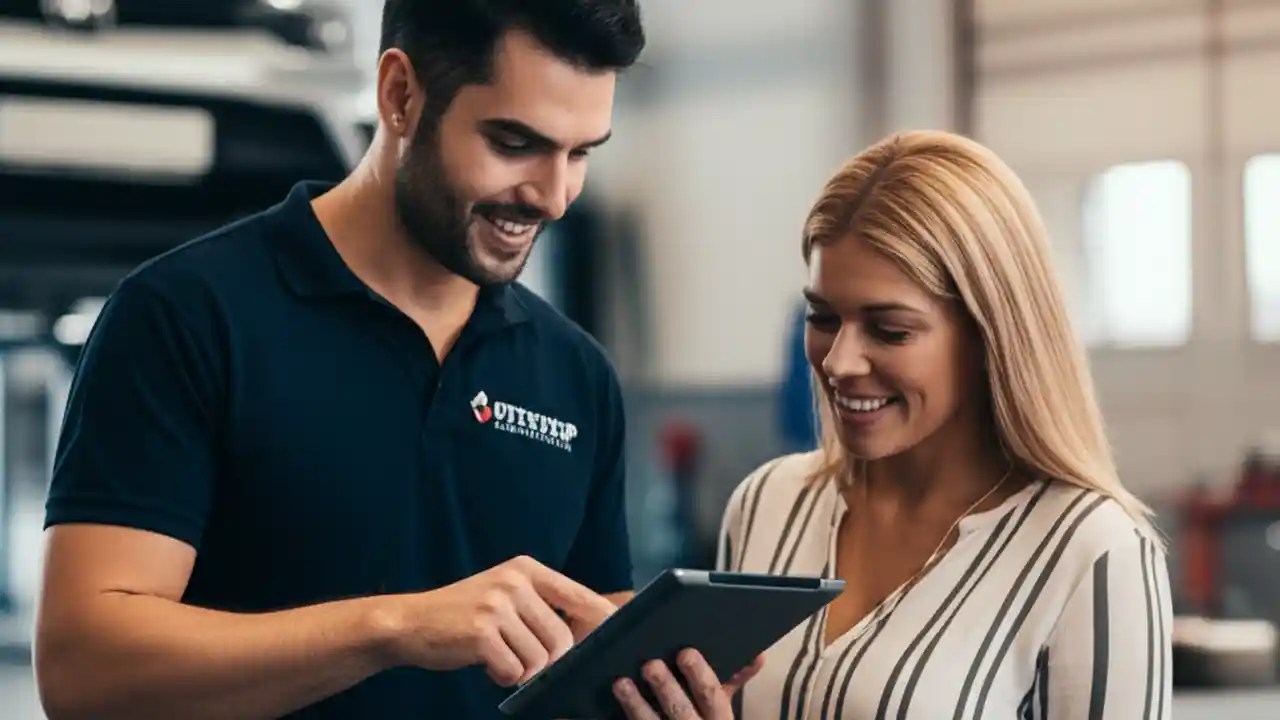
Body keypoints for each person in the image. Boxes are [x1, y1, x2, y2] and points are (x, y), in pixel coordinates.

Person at [33, 2, 755, 718]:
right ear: (400, 95)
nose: (555, 196)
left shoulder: (577, 375)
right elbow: (83, 673)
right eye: (514, 143)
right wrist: (396, 628)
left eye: (582, 153)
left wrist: (651, 683)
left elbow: (572, 654)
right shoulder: (185, 316)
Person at [617, 130, 1174, 719]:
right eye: (824, 317)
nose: (838, 361)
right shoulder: (766, 505)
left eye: (889, 330)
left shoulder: (1092, 550)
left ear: (991, 335)